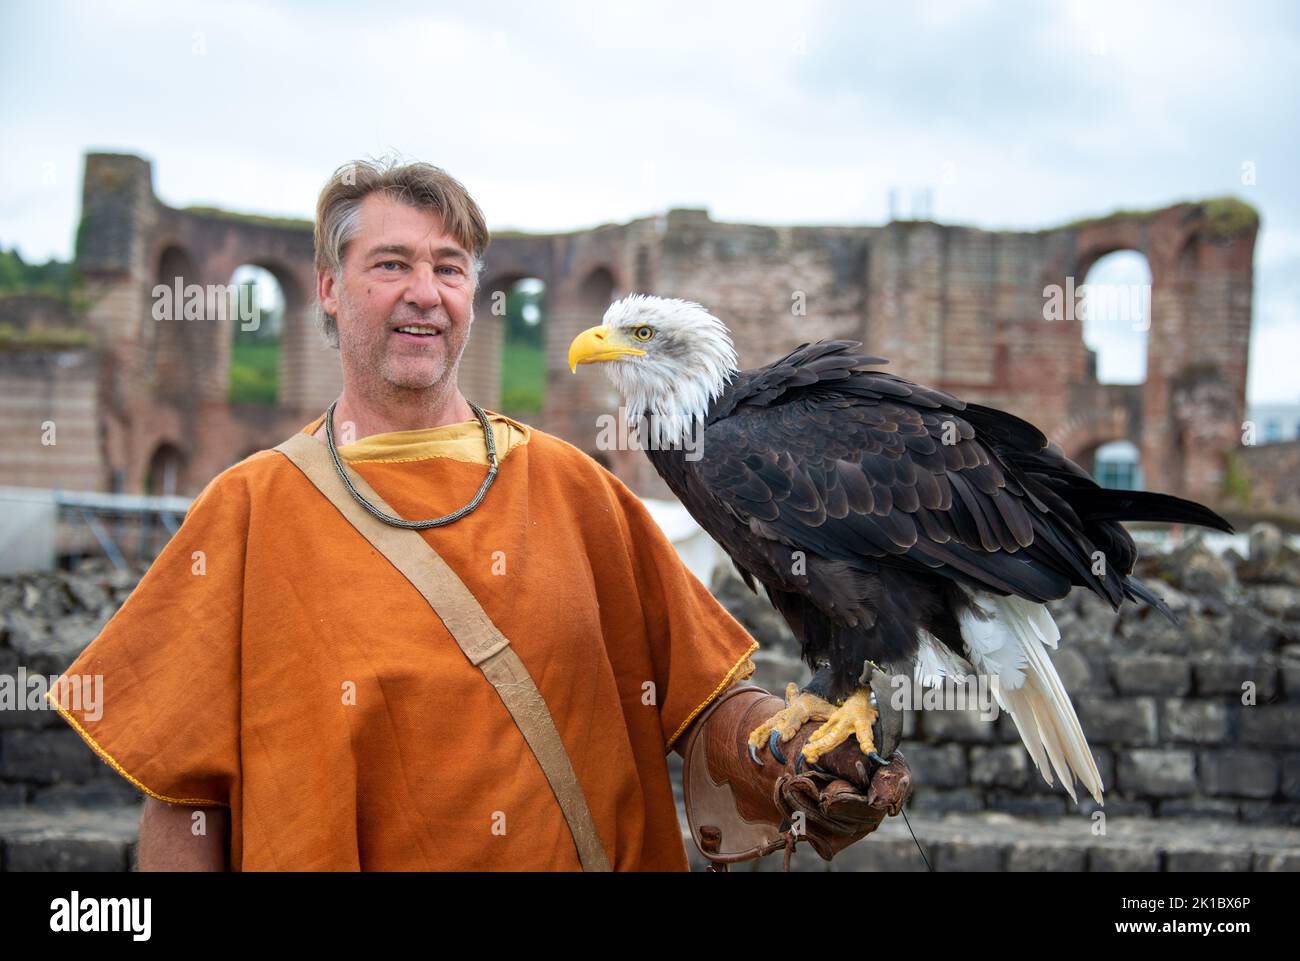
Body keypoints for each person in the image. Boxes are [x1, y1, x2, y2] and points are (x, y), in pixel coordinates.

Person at [47, 159, 911, 871]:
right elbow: (184, 800)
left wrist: (785, 754)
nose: (425, 292)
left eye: (449, 268)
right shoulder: (244, 512)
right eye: (391, 265)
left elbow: (704, 705)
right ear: (328, 289)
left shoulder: (577, 491)